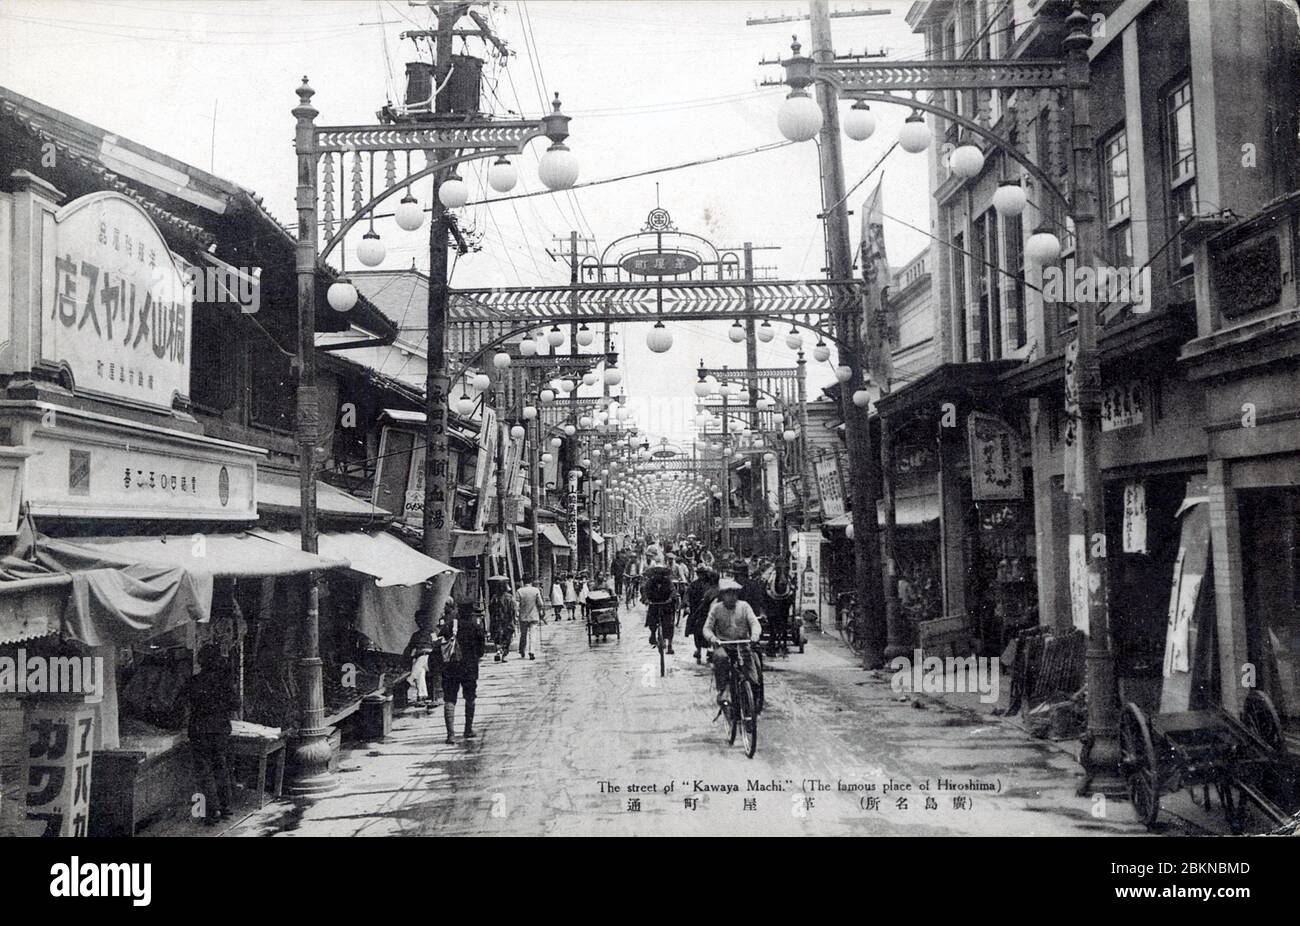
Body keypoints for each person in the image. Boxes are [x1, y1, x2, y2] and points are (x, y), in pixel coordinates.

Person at [182, 644, 239, 825]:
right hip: (220, 729)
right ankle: (226, 806)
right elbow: (235, 704)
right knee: (221, 766)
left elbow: (182, 703)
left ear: (201, 661)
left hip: (199, 729)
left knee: (204, 771)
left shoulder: (194, 681)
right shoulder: (224, 681)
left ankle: (211, 810)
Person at [702, 578, 763, 707]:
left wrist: (755, 635)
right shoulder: (716, 609)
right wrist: (713, 639)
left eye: (734, 593)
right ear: (723, 595)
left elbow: (754, 623)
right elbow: (706, 628)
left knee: (753, 676)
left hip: (743, 644)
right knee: (721, 658)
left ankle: (752, 699)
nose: (732, 596)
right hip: (723, 645)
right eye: (728, 593)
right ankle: (723, 690)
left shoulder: (744, 606)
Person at [437, 603, 486, 745]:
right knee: (470, 698)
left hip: (451, 667)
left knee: (449, 699)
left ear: (458, 611)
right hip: (469, 669)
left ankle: (450, 735)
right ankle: (468, 729)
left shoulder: (450, 626)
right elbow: (481, 651)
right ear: (471, 614)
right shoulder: (476, 628)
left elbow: (439, 642)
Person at [641, 555, 679, 655]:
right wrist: (646, 599)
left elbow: (673, 590)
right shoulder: (650, 582)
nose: (658, 575)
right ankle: (653, 633)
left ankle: (670, 645)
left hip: (666, 604)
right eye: (656, 573)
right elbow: (644, 591)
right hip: (654, 604)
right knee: (651, 621)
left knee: (669, 625)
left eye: (660, 573)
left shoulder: (667, 581)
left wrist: (671, 598)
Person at [686, 563, 719, 663]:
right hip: (696, 609)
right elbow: (687, 594)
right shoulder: (693, 584)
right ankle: (698, 649)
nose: (701, 575)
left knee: (710, 629)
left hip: (705, 610)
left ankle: (710, 649)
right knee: (696, 631)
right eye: (699, 573)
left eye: (703, 573)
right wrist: (687, 605)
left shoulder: (710, 586)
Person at [403, 609, 436, 702]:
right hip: (420, 661)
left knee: (421, 659)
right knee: (420, 671)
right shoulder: (415, 635)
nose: (420, 623)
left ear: (426, 620)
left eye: (422, 620)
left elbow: (436, 645)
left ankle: (410, 680)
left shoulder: (432, 632)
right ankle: (422, 695)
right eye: (418, 621)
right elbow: (409, 648)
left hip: (430, 660)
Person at [516, 575, 545, 660]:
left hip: (523, 616)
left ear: (523, 581)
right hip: (534, 616)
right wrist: (540, 611)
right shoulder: (535, 590)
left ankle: (522, 650)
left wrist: (517, 614)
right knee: (533, 634)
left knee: (523, 634)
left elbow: (517, 605)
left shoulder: (519, 591)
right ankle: (531, 651)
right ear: (531, 581)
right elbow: (540, 603)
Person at [488, 582, 517, 663]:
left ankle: (498, 650)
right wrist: (514, 619)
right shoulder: (509, 597)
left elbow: (490, 608)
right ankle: (504, 655)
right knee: (507, 638)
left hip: (496, 620)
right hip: (507, 620)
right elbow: (513, 609)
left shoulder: (494, 597)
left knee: (497, 637)